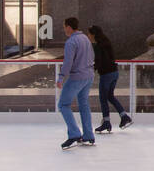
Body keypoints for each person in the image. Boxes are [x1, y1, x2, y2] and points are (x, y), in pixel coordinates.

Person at [56, 17, 95, 150]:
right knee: (83, 104)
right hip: (88, 76)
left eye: (64, 27)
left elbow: (68, 62)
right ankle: (88, 135)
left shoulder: (71, 41)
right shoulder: (85, 39)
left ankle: (74, 134)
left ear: (68, 27)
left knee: (63, 104)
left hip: (77, 77)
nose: (64, 30)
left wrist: (61, 77)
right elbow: (91, 57)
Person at [88, 25, 131, 134]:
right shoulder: (106, 42)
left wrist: (92, 69)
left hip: (106, 74)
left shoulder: (98, 45)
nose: (88, 36)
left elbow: (99, 60)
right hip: (114, 72)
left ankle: (106, 122)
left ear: (93, 34)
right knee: (110, 96)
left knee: (103, 98)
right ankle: (124, 116)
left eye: (89, 34)